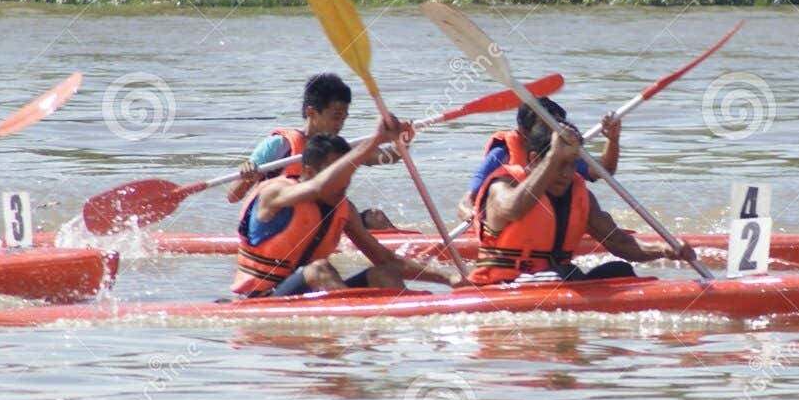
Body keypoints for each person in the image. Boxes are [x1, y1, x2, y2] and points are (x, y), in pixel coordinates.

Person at [232, 122, 456, 298]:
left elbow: (388, 260)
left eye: (347, 173)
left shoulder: (344, 208)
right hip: (261, 297)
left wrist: (450, 279)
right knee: (319, 269)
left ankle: (390, 339)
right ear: (309, 172)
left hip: (308, 293)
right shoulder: (275, 193)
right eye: (336, 174)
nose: (343, 182)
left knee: (385, 274)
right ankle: (357, 325)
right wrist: (376, 138)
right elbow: (318, 187)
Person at [470, 121, 692, 285]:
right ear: (535, 159)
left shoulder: (579, 195)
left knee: (620, 270)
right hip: (500, 286)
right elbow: (514, 210)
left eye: (572, 164)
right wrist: (552, 158)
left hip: (557, 280)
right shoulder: (502, 186)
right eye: (559, 164)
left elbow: (620, 243)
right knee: (567, 274)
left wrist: (664, 249)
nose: (567, 174)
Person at [226, 72, 401, 229]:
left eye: (344, 117)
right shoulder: (279, 145)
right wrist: (248, 174)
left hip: (319, 222)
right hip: (283, 226)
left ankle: (409, 257)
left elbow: (389, 157)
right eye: (336, 116)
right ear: (311, 112)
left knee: (375, 217)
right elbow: (233, 196)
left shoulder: (337, 147)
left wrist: (403, 139)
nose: (340, 124)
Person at [455, 98, 621, 222]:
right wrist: (472, 217)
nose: (554, 134)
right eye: (546, 127)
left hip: (548, 222)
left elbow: (603, 171)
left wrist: (612, 141)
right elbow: (466, 200)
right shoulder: (501, 154)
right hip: (508, 220)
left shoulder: (563, 152)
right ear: (523, 130)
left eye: (558, 127)